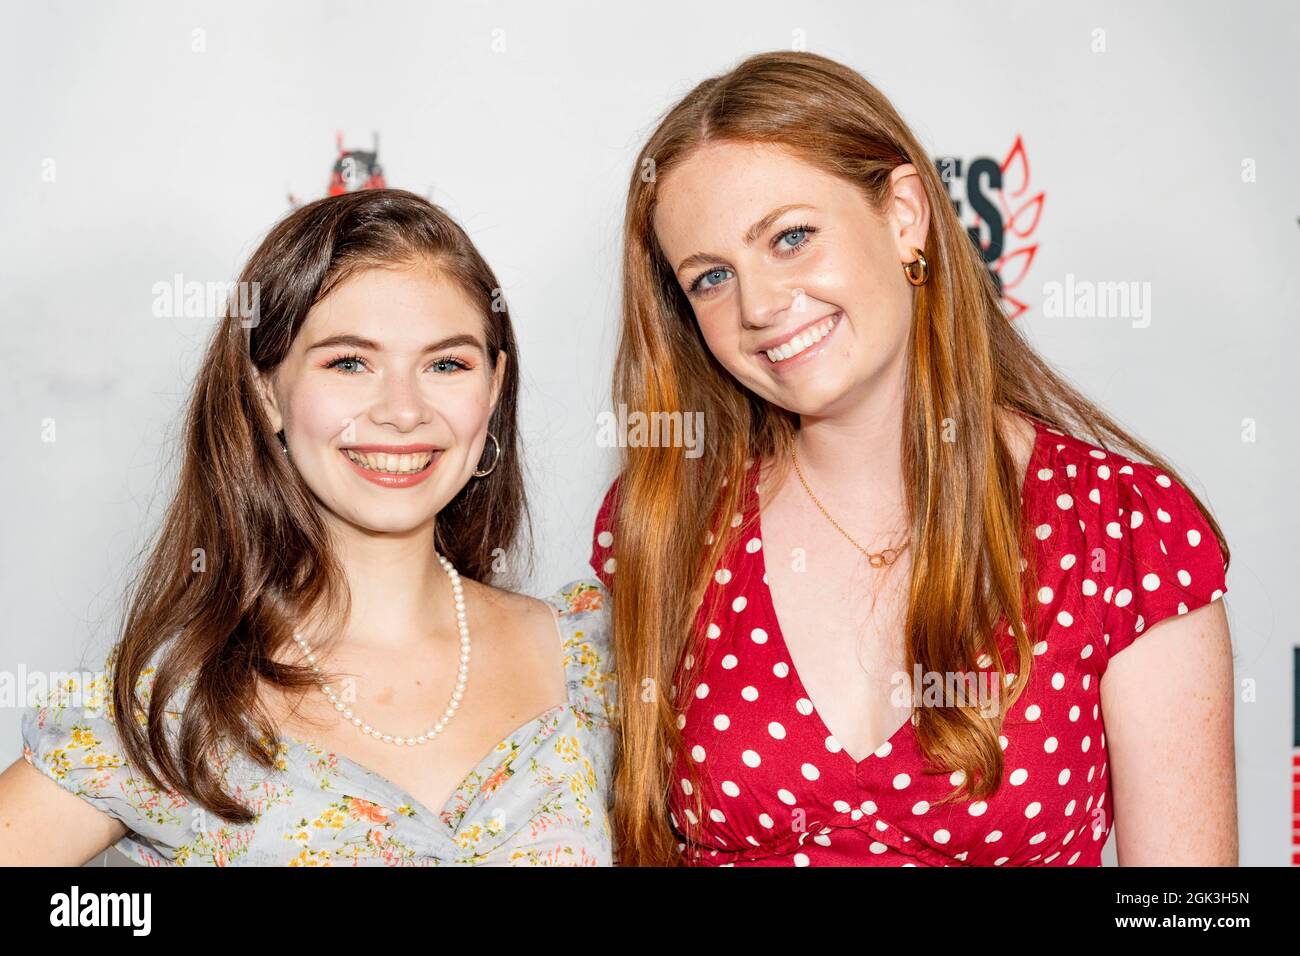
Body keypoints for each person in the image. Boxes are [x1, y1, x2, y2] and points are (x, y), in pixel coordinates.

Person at [591, 51, 1234, 866]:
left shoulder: (1122, 529)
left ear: (903, 216)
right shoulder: (666, 521)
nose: (757, 306)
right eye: (712, 277)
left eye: (791, 238)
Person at [0, 188, 616, 866]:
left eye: (447, 364)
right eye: (349, 362)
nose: (403, 411)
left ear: (493, 390)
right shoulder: (173, 710)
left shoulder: (597, 656)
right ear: (268, 391)